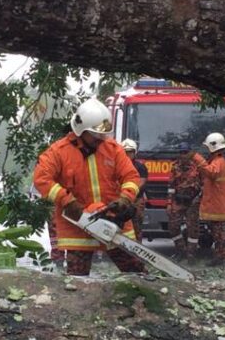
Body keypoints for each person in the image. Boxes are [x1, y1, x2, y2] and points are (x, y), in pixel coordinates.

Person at [33, 98, 145, 277]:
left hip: (112, 221)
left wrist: (125, 198)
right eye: (96, 135)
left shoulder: (112, 148)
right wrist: (67, 201)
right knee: (77, 281)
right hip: (78, 224)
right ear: (80, 129)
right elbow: (41, 178)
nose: (100, 139)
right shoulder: (59, 151)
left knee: (136, 273)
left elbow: (131, 176)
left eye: (103, 135)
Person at [198, 132, 225, 264]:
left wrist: (198, 159)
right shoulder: (217, 161)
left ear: (213, 147)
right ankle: (220, 257)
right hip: (217, 204)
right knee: (217, 233)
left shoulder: (218, 161)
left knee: (221, 234)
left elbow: (210, 172)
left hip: (218, 205)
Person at [167, 142, 205, 259]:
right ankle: (180, 250)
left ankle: (191, 254)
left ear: (190, 153)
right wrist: (169, 203)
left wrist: (198, 199)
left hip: (193, 201)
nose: (183, 155)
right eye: (181, 152)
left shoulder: (198, 167)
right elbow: (171, 186)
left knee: (192, 228)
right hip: (178, 201)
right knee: (173, 226)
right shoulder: (175, 166)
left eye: (185, 152)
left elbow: (204, 185)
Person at [121, 138, 148, 241]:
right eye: (126, 152)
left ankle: (138, 249)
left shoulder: (140, 167)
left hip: (136, 200)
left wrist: (129, 193)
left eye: (130, 152)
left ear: (135, 152)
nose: (128, 155)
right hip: (122, 200)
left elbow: (141, 183)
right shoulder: (119, 165)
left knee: (137, 226)